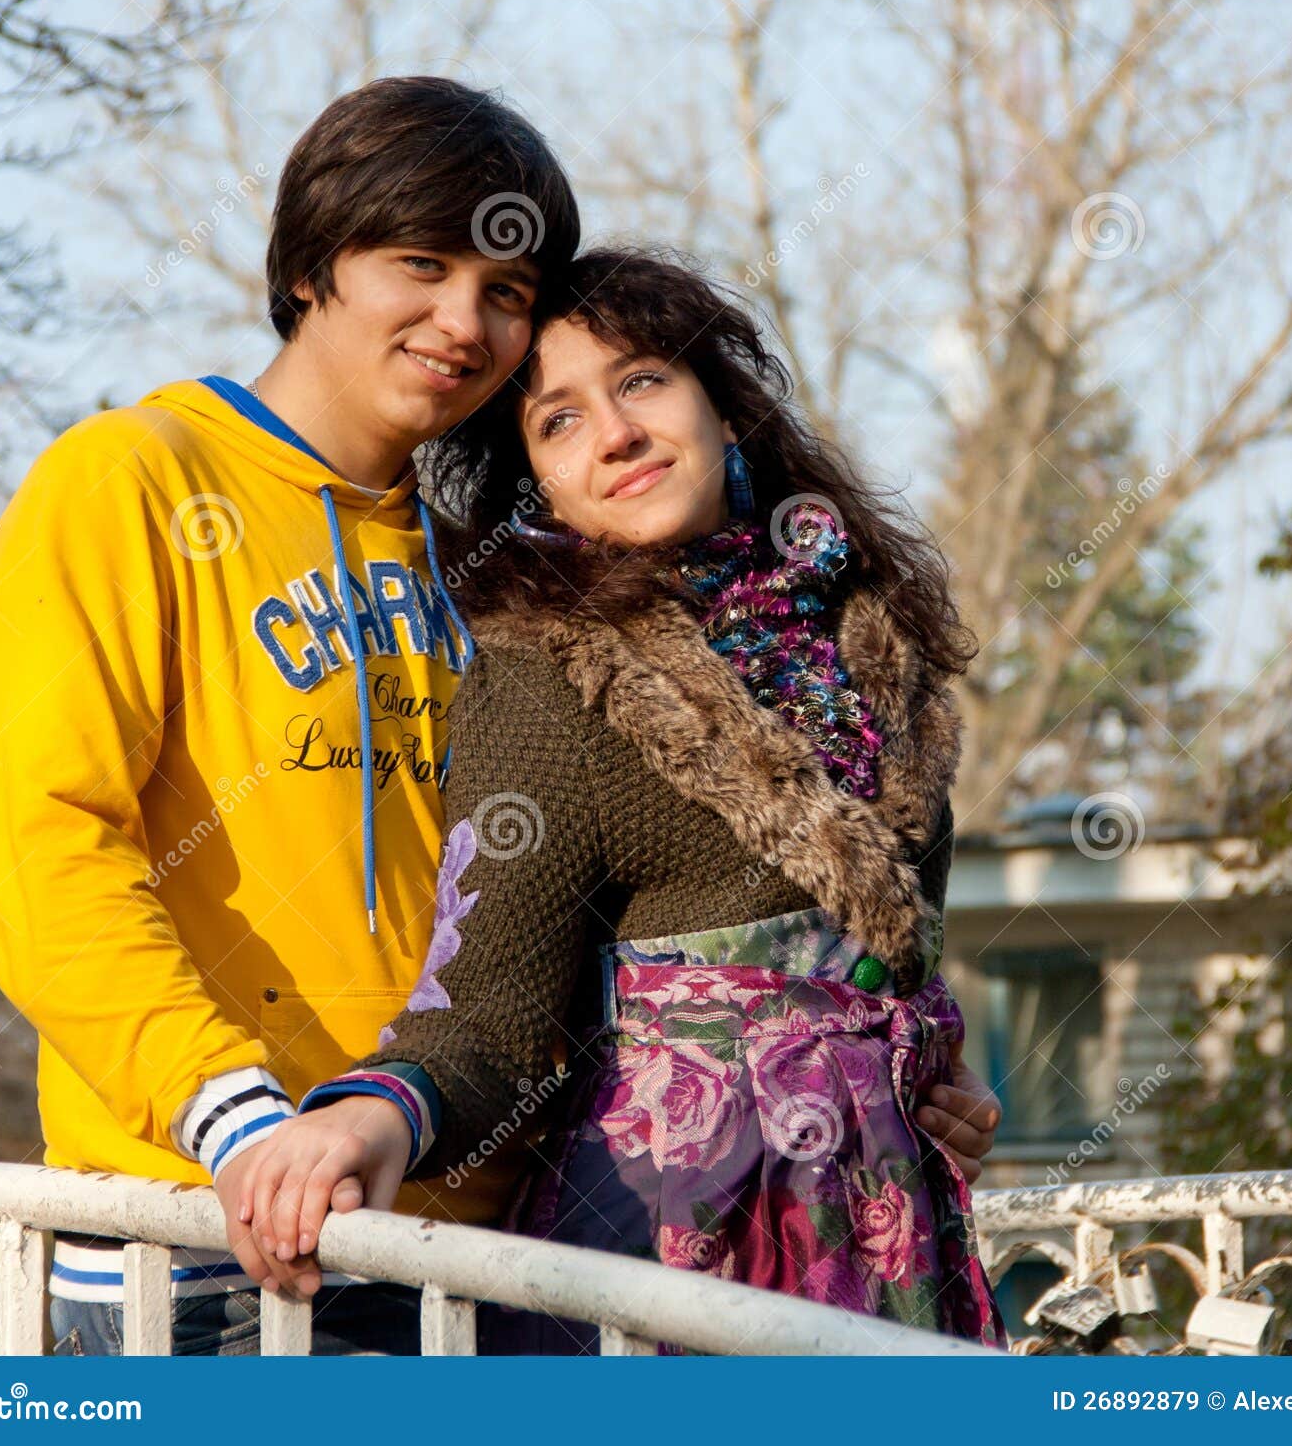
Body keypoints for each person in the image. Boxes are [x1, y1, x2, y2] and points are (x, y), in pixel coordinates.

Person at [241, 246, 1007, 1350]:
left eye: (642, 380)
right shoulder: (546, 675)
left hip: (891, 1237)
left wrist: (938, 1081)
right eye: (558, 420)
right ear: (537, 482)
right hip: (670, 1254)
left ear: (723, 406)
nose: (614, 433)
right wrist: (374, 1116)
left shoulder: (872, 646)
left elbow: (889, 957)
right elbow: (485, 1016)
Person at [0, 75, 580, 1355]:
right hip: (215, 1239)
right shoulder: (128, 479)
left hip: (491, 1244)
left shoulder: (494, 564)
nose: (463, 321)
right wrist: (234, 1121)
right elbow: (44, 852)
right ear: (311, 266)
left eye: (507, 292)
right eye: (423, 264)